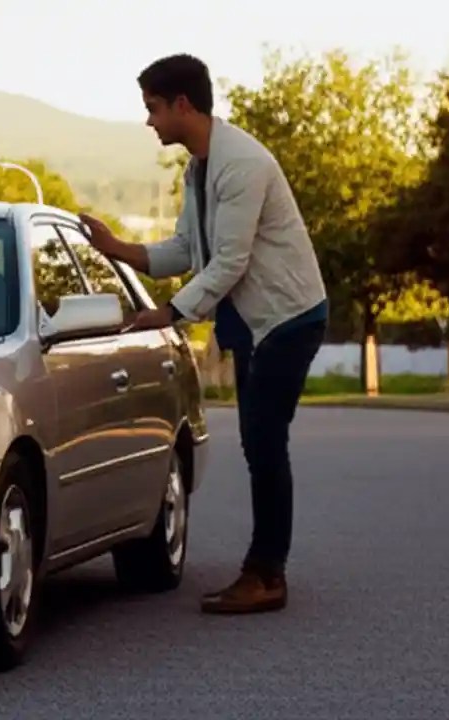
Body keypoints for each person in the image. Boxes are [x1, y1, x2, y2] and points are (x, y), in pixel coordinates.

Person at [79, 53, 328, 614]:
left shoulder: (242, 164)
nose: (149, 122)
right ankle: (265, 569)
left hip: (287, 318)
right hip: (251, 322)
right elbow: (189, 250)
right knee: (257, 441)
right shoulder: (199, 166)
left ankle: (266, 574)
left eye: (153, 109)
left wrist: (167, 314)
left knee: (265, 442)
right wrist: (116, 247)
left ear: (182, 105)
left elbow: (231, 261)